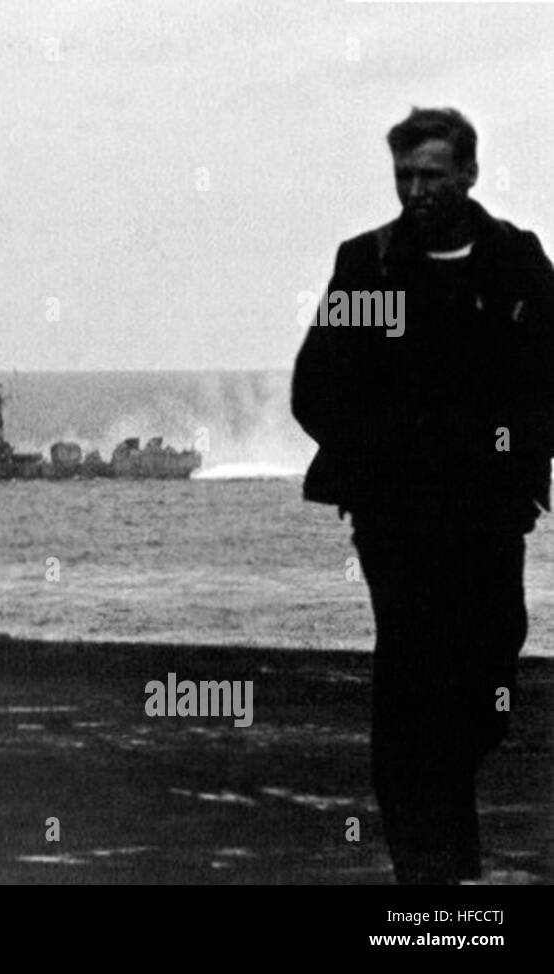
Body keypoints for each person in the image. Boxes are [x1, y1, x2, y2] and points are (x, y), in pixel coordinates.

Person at [292, 107, 554, 883]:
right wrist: (378, 459)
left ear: (469, 173)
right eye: (404, 177)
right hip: (397, 520)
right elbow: (315, 388)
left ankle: (438, 831)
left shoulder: (516, 262)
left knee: (491, 665)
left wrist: (521, 460)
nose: (416, 191)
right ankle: (431, 875)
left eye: (432, 175)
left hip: (490, 516)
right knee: (411, 678)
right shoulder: (368, 265)